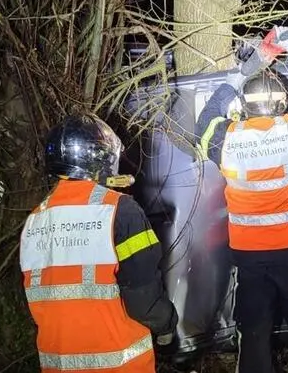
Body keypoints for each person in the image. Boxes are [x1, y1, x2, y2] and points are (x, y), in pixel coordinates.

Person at [195, 25, 288, 373]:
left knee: (253, 336)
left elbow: (205, 120)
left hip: (251, 258)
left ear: (243, 106)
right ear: (284, 102)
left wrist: (246, 70)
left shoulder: (227, 139)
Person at [19, 114, 178, 372]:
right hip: (120, 364)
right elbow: (143, 298)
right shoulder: (119, 211)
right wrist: (167, 325)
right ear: (102, 158)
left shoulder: (34, 221)